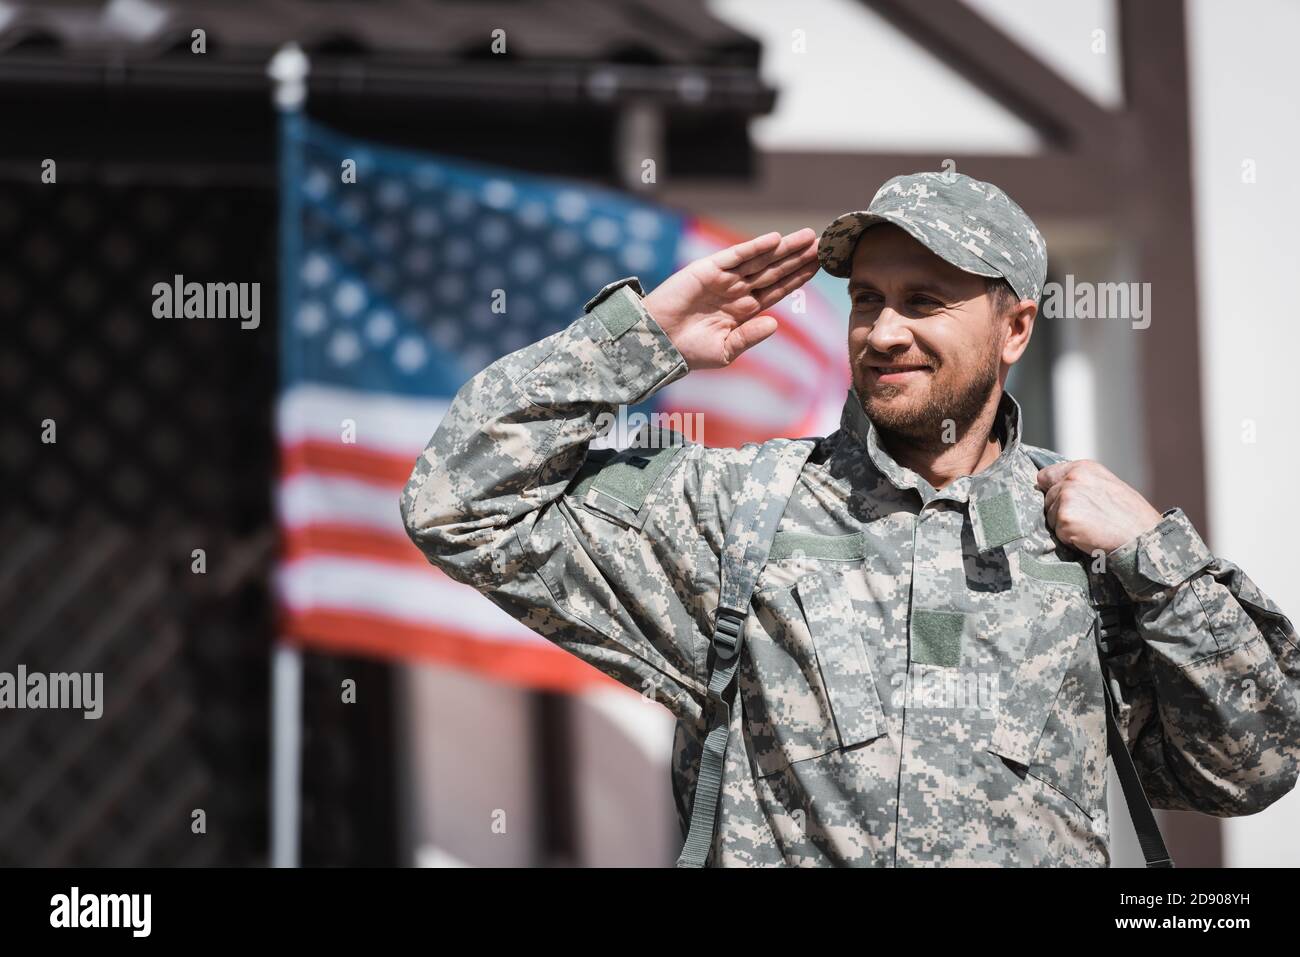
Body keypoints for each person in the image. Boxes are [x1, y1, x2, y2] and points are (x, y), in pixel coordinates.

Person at [400, 171, 1300, 866]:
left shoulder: (1096, 545)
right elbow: (457, 503)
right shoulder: (738, 511)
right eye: (865, 298)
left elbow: (1249, 767)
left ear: (1016, 329)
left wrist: (1160, 556)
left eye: (924, 300)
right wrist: (641, 341)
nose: (882, 331)